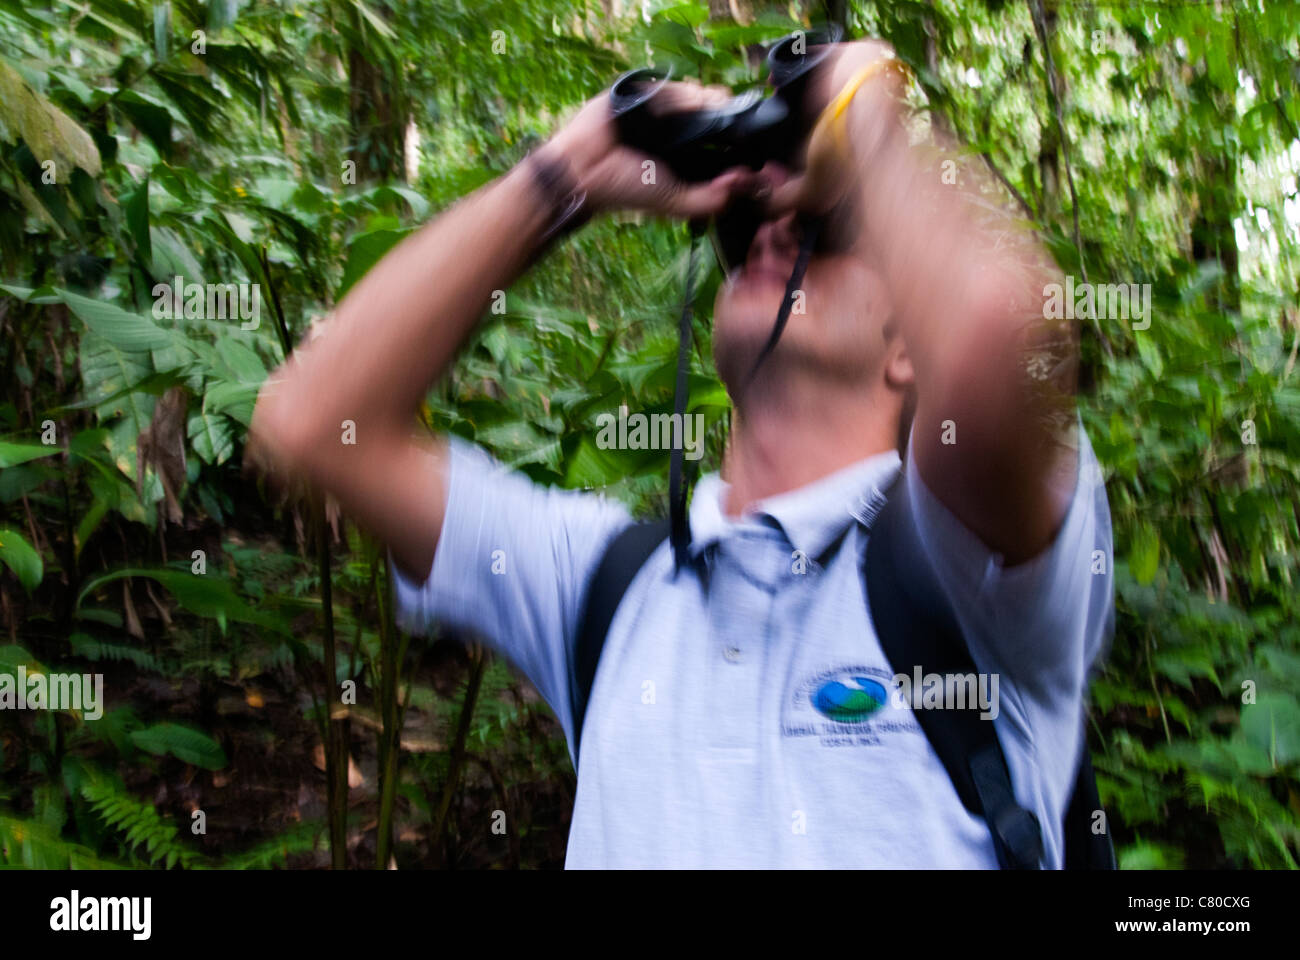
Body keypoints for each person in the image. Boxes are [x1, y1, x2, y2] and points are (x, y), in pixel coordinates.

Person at [248, 38, 1114, 868]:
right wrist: (572, 173)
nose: (773, 230)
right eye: (746, 224)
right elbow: (313, 422)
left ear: (911, 347)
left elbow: (1008, 340)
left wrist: (867, 111)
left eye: (828, 229)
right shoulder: (605, 589)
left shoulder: (966, 577)